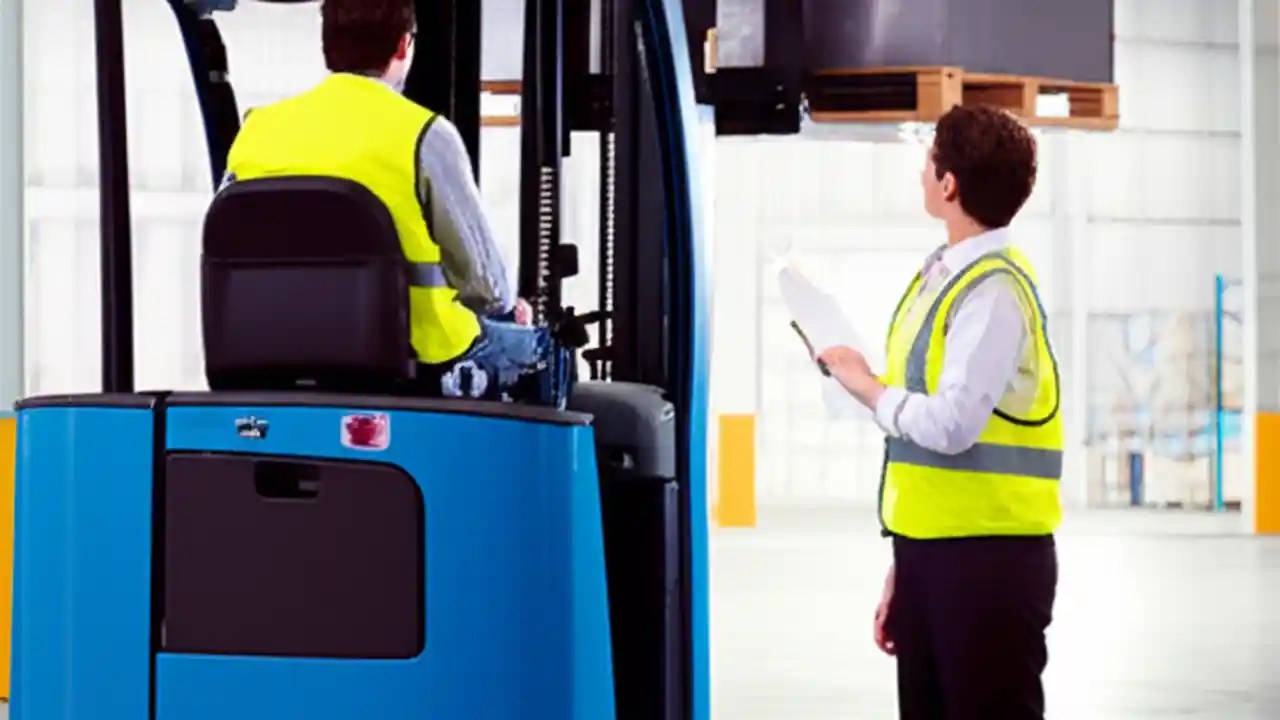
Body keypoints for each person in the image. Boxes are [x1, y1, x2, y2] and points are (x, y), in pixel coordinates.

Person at [816, 105, 1062, 720]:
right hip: (939, 555)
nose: (921, 174)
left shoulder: (992, 291)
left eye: (928, 162)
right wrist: (906, 568)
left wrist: (867, 388)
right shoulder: (945, 275)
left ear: (949, 184)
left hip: (988, 565)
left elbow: (952, 426)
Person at [220, 0, 562, 403]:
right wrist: (511, 307)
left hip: (274, 357)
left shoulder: (256, 130)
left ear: (327, 47)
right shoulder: (425, 134)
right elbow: (487, 288)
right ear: (403, 45)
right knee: (545, 351)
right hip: (418, 361)